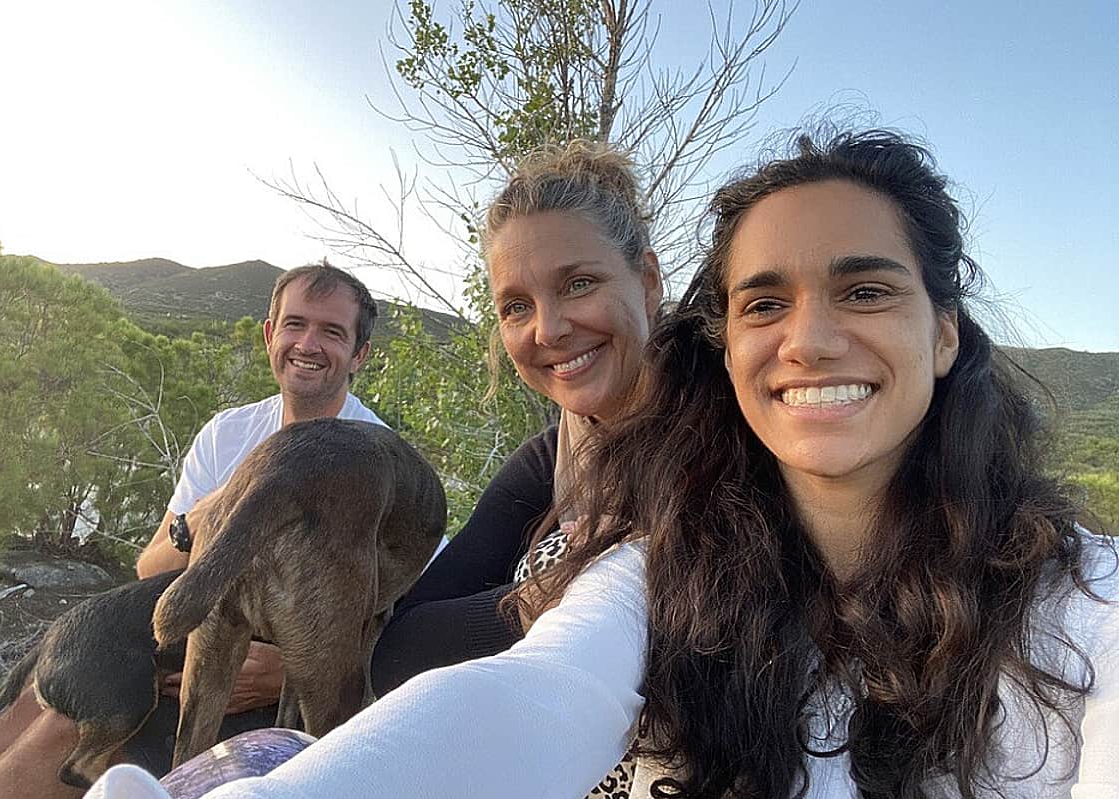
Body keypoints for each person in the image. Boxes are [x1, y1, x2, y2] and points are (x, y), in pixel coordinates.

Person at [86, 127, 1118, 799]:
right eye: (764, 303)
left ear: (945, 331)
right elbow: (541, 691)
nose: (806, 342)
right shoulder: (661, 529)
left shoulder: (1080, 602)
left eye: (863, 292)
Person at [0, 262, 388, 799]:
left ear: (359, 355)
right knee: (32, 696)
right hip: (177, 638)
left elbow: (415, 614)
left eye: (332, 332)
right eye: (295, 324)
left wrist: (297, 668)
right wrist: (223, 505)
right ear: (269, 334)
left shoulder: (378, 462)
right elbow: (152, 567)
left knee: (61, 729)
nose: (308, 344)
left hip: (257, 692)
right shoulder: (229, 433)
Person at [370, 139, 663, 706]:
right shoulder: (551, 461)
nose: (548, 330)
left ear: (647, 282)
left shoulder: (739, 430)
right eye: (517, 307)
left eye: (579, 284)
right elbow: (400, 650)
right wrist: (540, 599)